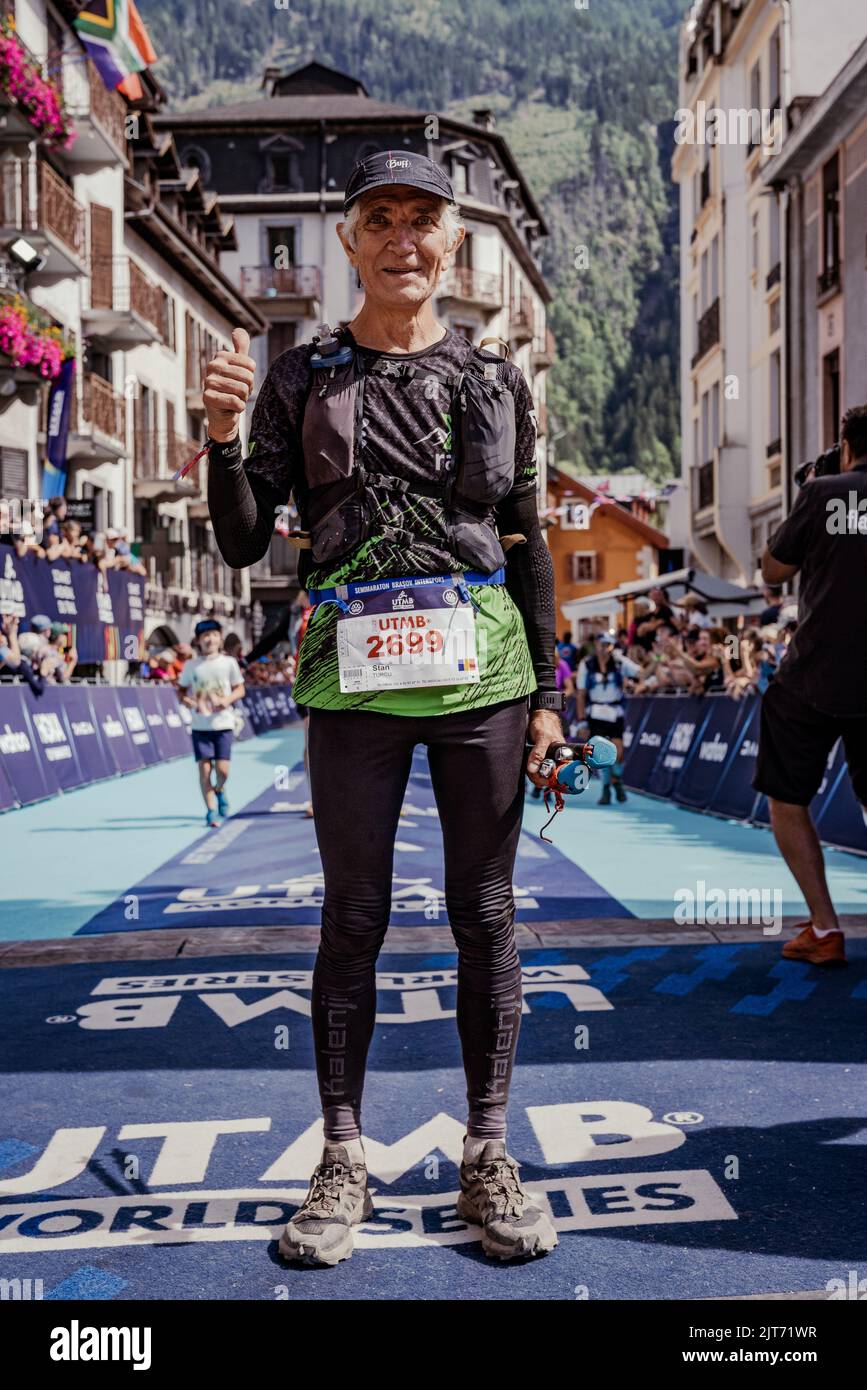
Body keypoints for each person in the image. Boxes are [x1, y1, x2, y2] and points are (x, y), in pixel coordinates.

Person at [205, 149, 564, 1265]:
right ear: (349, 242)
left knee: (486, 912)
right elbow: (237, 536)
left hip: (484, 677)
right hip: (352, 678)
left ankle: (490, 1151)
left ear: (450, 241)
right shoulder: (300, 376)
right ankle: (343, 1155)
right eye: (381, 220)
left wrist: (551, 693)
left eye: (424, 219)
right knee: (352, 918)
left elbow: (529, 544)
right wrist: (221, 442)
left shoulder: (496, 380)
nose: (403, 238)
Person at [754, 403, 867, 966]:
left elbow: (772, 571)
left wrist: (813, 493)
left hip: (815, 676)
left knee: (787, 797)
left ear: (847, 446)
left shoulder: (823, 494)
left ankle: (825, 929)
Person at [176, 618, 245, 829]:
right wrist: (191, 703)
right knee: (204, 771)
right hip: (200, 727)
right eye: (205, 636)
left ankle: (220, 790)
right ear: (198, 640)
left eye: (214, 635)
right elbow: (181, 692)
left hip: (223, 725)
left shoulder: (229, 663)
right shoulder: (191, 666)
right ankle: (211, 811)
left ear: (220, 638)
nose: (210, 639)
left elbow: (240, 689)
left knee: (223, 771)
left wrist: (226, 701)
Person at [575, 632, 640, 803]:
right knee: (601, 754)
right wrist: (582, 721)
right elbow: (581, 694)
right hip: (595, 713)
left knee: (617, 754)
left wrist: (656, 660)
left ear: (612, 646)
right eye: (602, 644)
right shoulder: (587, 664)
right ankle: (606, 789)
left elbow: (641, 673)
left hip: (615, 712)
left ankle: (617, 781)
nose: (605, 648)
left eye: (608, 644)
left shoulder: (620, 662)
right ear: (596, 644)